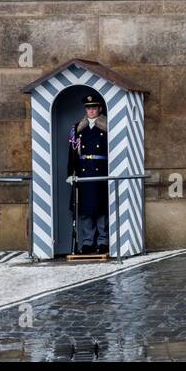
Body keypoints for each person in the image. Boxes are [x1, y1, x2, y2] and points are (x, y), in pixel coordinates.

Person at [66, 92, 109, 254]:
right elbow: (71, 152)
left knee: (101, 208)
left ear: (99, 108)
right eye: (88, 108)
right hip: (84, 172)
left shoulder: (107, 126)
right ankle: (87, 242)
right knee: (85, 209)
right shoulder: (77, 128)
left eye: (94, 108)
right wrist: (71, 172)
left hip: (101, 171)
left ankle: (103, 241)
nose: (91, 111)